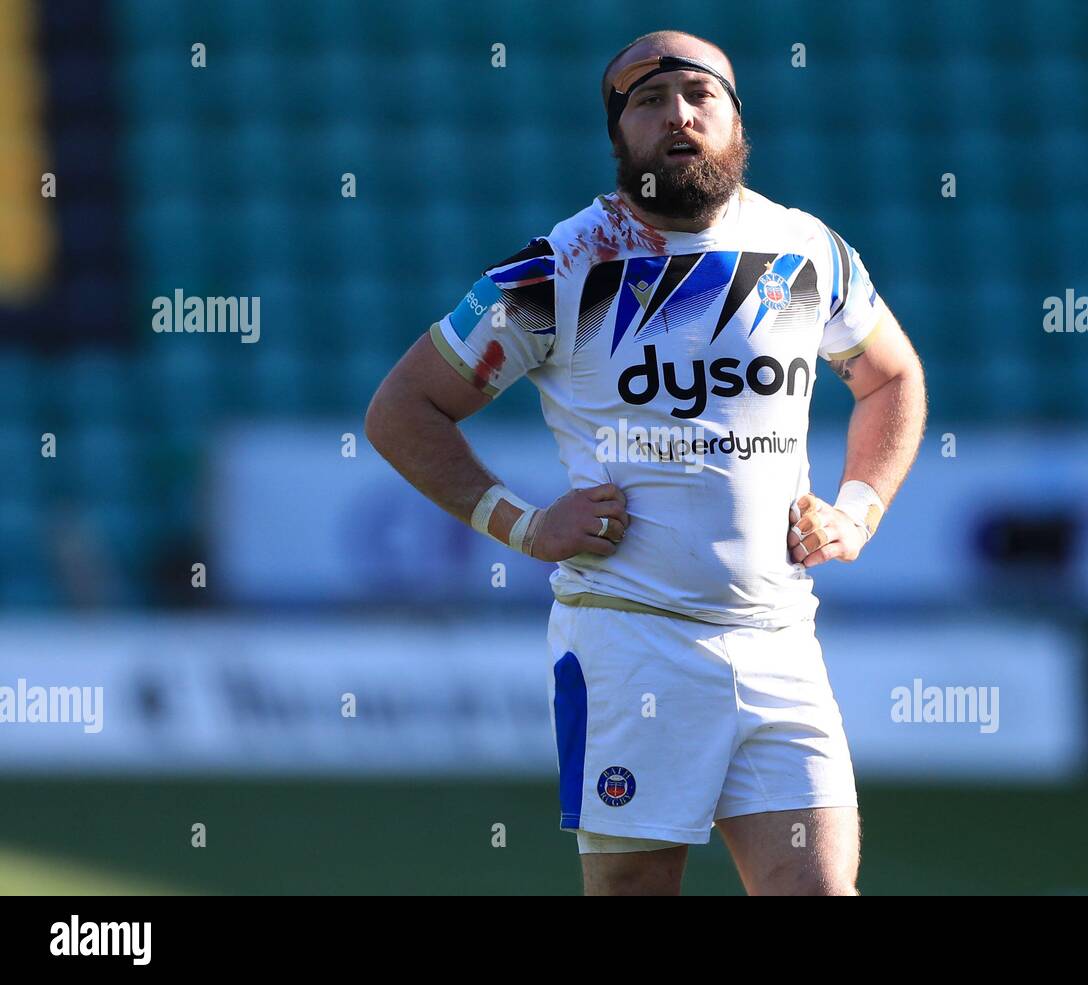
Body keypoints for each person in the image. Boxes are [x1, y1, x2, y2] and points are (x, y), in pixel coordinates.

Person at [365, 29, 927, 895]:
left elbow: (891, 376)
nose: (679, 116)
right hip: (631, 642)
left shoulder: (805, 250)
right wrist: (521, 524)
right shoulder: (557, 269)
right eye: (650, 103)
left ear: (737, 119)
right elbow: (402, 409)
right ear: (618, 135)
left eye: (701, 97)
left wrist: (858, 508)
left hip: (782, 639)